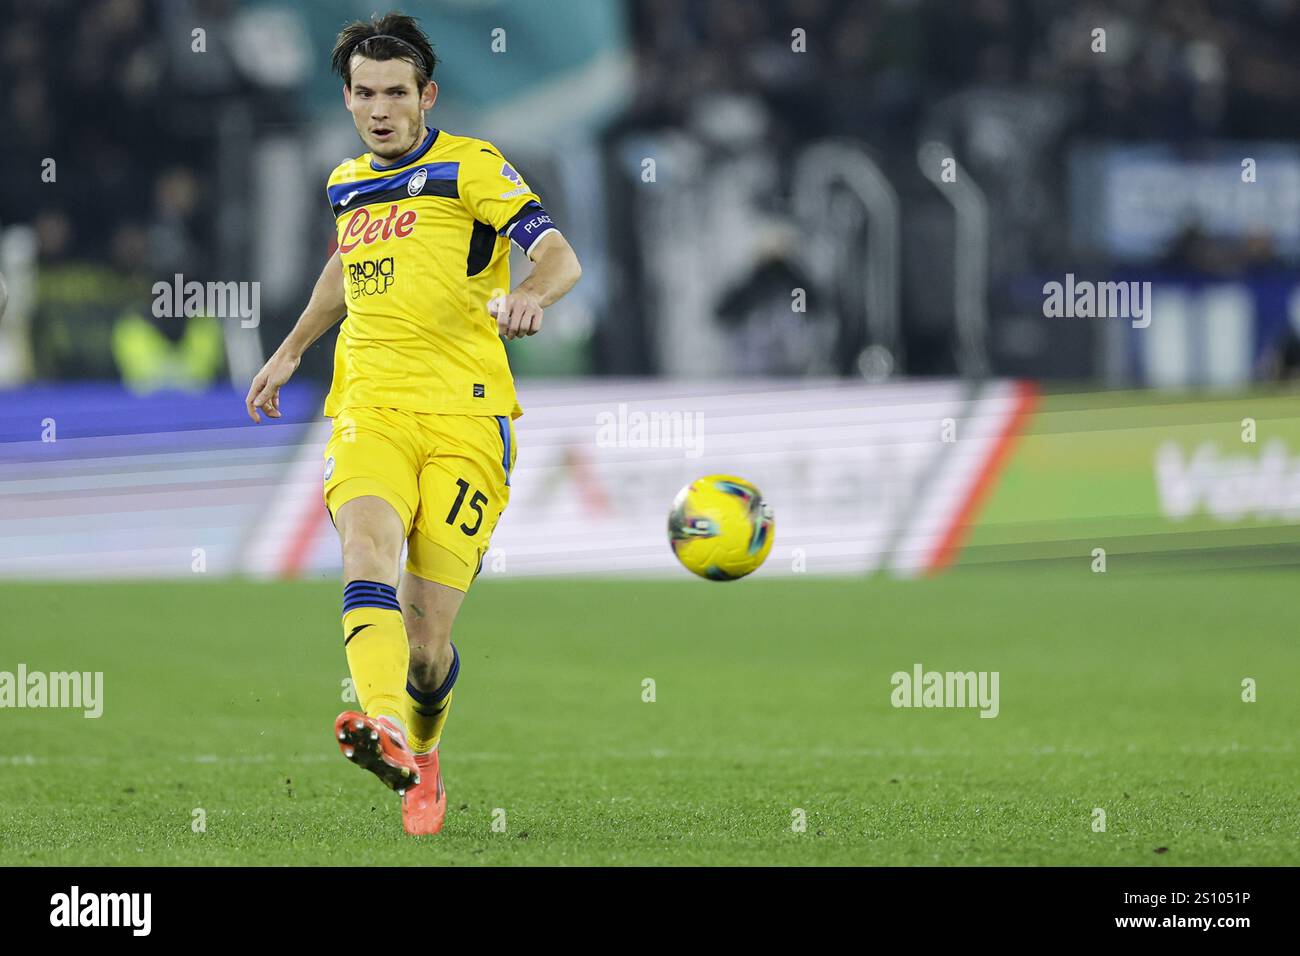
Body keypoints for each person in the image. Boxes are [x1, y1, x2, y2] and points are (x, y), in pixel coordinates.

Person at [244, 12, 581, 835]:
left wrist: (530, 297)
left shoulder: (474, 166)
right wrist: (291, 349)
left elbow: (559, 254)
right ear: (350, 100)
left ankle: (421, 748)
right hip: (370, 410)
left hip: (468, 420)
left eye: (397, 92)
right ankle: (383, 725)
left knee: (428, 642)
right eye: (364, 93)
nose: (381, 108)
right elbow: (345, 269)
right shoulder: (345, 182)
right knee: (366, 548)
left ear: (426, 94)